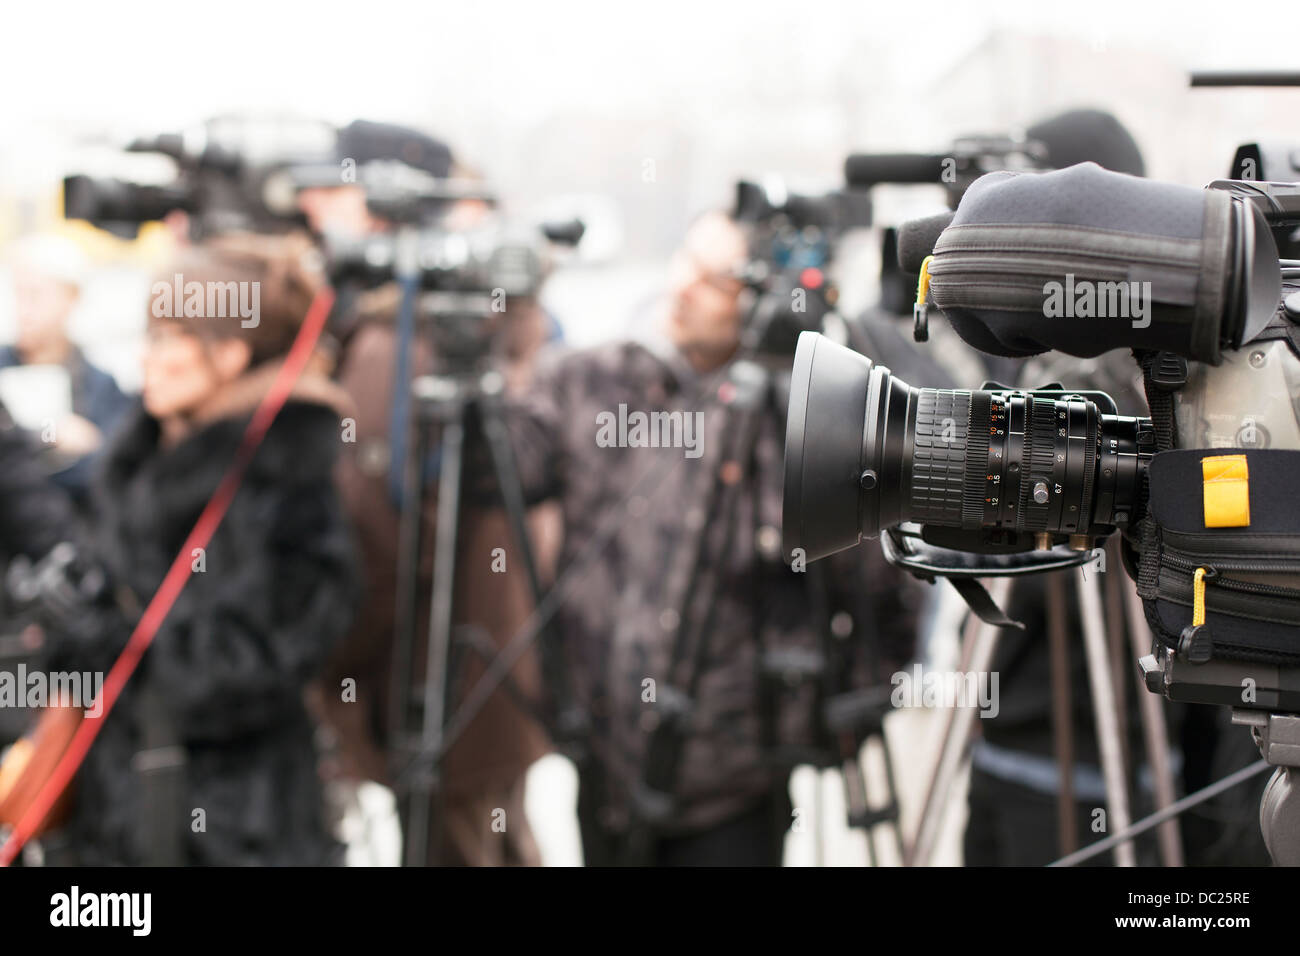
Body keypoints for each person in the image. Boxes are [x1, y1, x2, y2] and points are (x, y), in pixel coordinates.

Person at [494, 209, 918, 866]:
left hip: (736, 791)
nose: (683, 287)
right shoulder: (597, 382)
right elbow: (493, 471)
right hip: (603, 767)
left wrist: (824, 726)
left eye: (713, 278)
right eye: (684, 263)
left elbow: (885, 599)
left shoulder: (807, 425)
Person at [38, 233, 358, 865]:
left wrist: (115, 633)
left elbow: (251, 667)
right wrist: (68, 614)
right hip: (118, 812)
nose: (146, 357)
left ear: (230, 354)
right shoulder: (147, 458)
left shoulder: (286, 481)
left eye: (166, 337)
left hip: (232, 829)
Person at [296, 120, 552, 866]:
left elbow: (376, 544)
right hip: (493, 687)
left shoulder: (395, 345)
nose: (313, 208)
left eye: (335, 189)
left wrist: (337, 677)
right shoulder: (490, 321)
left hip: (436, 694)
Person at [0, 235, 132, 499]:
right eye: (18, 294)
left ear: (71, 298)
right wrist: (49, 436)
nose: (23, 310)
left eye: (35, 296)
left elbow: (110, 471)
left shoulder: (101, 387)